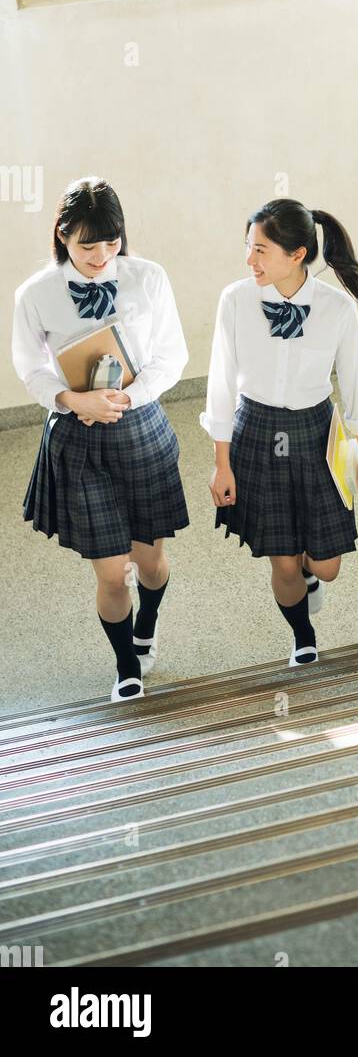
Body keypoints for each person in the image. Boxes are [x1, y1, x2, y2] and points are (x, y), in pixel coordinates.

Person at [11, 176, 189, 702]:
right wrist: (72, 400)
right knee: (113, 575)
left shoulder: (148, 278)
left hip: (140, 428)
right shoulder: (36, 293)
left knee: (150, 562)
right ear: (63, 235)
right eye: (88, 245)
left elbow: (171, 356)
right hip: (78, 436)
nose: (101, 255)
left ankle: (147, 626)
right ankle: (125, 665)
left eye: (112, 242)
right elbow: (29, 368)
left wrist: (128, 398)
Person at [200, 199, 358, 666]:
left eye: (261, 250)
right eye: (248, 248)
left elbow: (356, 378)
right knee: (283, 561)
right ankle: (303, 634)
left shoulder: (336, 309)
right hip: (255, 430)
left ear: (297, 254)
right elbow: (220, 383)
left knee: (326, 565)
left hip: (316, 431)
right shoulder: (235, 300)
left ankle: (310, 572)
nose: (249, 260)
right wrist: (221, 463)